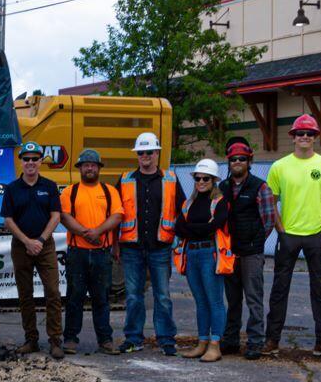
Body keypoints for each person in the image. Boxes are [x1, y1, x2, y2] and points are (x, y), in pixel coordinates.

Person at [264, 114, 321, 359]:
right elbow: (271, 202)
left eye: (309, 134)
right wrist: (280, 229)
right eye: (300, 134)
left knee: (319, 290)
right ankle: (272, 339)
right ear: (293, 138)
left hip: (315, 236)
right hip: (288, 235)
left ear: (315, 138)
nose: (305, 137)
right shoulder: (279, 166)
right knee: (279, 288)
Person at [116, 132, 184, 356]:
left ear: (157, 154)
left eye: (150, 152)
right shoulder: (125, 180)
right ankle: (134, 338)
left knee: (162, 296)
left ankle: (166, 339)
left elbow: (183, 210)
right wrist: (115, 245)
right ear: (137, 155)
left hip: (160, 247)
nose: (145, 156)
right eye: (141, 153)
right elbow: (116, 213)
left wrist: (181, 240)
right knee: (134, 296)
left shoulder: (171, 180)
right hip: (131, 248)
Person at [2, 141, 64, 359]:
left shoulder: (49, 186)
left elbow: (56, 216)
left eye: (34, 159)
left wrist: (40, 239)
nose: (30, 163)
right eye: (26, 159)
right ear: (21, 162)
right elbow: (8, 220)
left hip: (45, 246)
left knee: (53, 293)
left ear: (40, 161)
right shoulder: (12, 189)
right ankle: (31, 339)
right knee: (25, 295)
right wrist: (27, 241)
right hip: (21, 247)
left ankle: (56, 340)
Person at [60, 149, 122, 356]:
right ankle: (70, 339)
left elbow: (117, 216)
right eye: (85, 165)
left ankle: (105, 340)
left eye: (93, 165)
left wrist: (99, 231)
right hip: (77, 253)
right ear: (79, 168)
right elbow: (65, 217)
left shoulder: (109, 191)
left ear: (98, 168)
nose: (89, 168)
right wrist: (85, 233)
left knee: (101, 298)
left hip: (101, 253)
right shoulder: (71, 191)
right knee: (74, 297)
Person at [218, 136, 276, 360]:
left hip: (251, 252)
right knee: (232, 300)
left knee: (253, 299)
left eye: (242, 159)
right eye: (234, 159)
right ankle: (231, 340)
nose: (238, 162)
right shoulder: (222, 187)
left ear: (249, 161)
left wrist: (255, 241)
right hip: (229, 253)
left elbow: (269, 220)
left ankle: (255, 342)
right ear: (229, 162)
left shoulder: (260, 187)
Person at [175, 158, 232, 362]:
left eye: (205, 178)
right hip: (191, 254)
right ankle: (201, 343)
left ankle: (214, 345)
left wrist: (192, 230)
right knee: (200, 302)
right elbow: (178, 228)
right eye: (197, 178)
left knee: (214, 301)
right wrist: (199, 230)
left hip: (210, 254)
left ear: (214, 180)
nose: (200, 182)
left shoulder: (220, 201)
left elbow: (214, 226)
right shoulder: (188, 202)